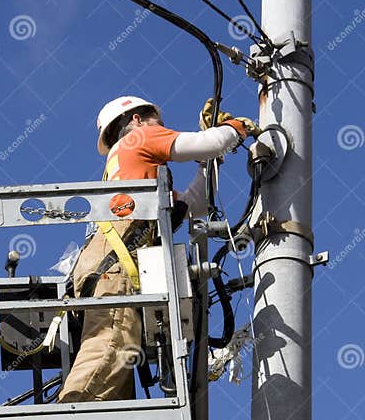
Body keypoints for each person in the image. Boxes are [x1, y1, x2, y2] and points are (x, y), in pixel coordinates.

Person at [57, 95, 259, 403]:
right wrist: (235, 128)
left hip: (105, 261)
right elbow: (213, 141)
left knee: (118, 364)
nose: (161, 129)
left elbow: (196, 203)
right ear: (136, 120)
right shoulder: (138, 137)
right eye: (158, 123)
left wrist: (210, 161)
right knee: (111, 341)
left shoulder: (130, 169)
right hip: (115, 262)